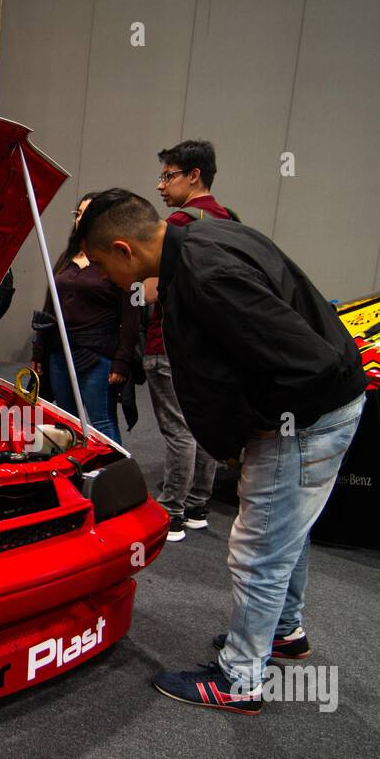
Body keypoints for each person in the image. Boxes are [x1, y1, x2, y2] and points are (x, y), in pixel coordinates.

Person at [77, 189, 367, 715]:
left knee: (257, 554)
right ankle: (284, 631)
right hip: (329, 412)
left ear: (123, 249)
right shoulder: (208, 236)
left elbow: (307, 365)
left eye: (101, 265)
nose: (105, 279)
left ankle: (240, 680)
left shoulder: (206, 276)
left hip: (302, 423)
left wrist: (261, 429)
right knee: (288, 535)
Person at [145, 140, 235, 540]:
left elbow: (149, 291)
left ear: (194, 175)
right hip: (213, 344)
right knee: (203, 425)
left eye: (169, 176)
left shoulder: (179, 225)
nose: (161, 186)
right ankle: (198, 505)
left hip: (171, 343)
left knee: (177, 430)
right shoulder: (229, 220)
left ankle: (172, 512)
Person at [30, 193, 141, 445]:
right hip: (59, 352)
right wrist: (39, 351)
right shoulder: (67, 258)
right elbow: (50, 305)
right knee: (66, 421)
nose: (81, 218)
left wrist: (122, 360)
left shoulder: (118, 259)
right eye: (78, 213)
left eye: (87, 213)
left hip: (98, 355)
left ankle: (113, 480)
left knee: (101, 422)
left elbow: (132, 316)